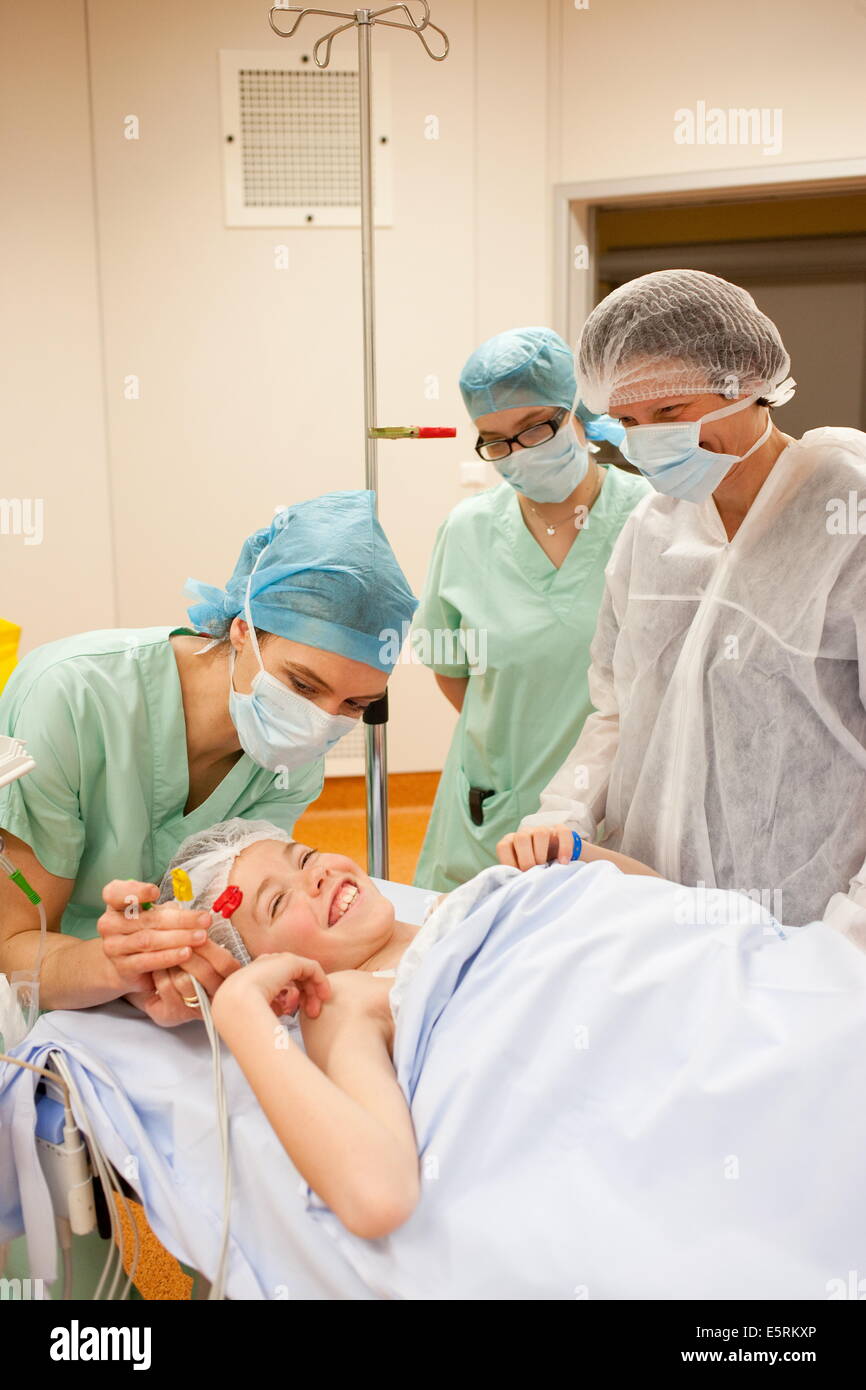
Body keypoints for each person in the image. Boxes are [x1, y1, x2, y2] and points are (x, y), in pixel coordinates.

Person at [498, 270, 866, 932]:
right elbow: (617, 710)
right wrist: (564, 812)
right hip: (654, 909)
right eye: (629, 421)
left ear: (750, 382)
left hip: (811, 926)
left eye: (670, 413)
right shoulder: (653, 532)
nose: (650, 442)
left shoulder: (849, 516)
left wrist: (850, 935)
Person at [0, 491, 417, 1025]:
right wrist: (118, 965)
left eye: (354, 705)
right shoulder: (73, 697)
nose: (321, 721)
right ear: (243, 630)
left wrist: (186, 969)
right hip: (44, 994)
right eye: (303, 685)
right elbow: (14, 947)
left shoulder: (295, 752)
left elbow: (251, 924)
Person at [412, 326, 649, 892]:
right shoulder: (467, 531)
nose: (516, 454)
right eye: (494, 440)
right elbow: (449, 670)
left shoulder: (651, 519)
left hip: (612, 812)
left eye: (534, 428)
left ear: (579, 413)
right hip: (493, 804)